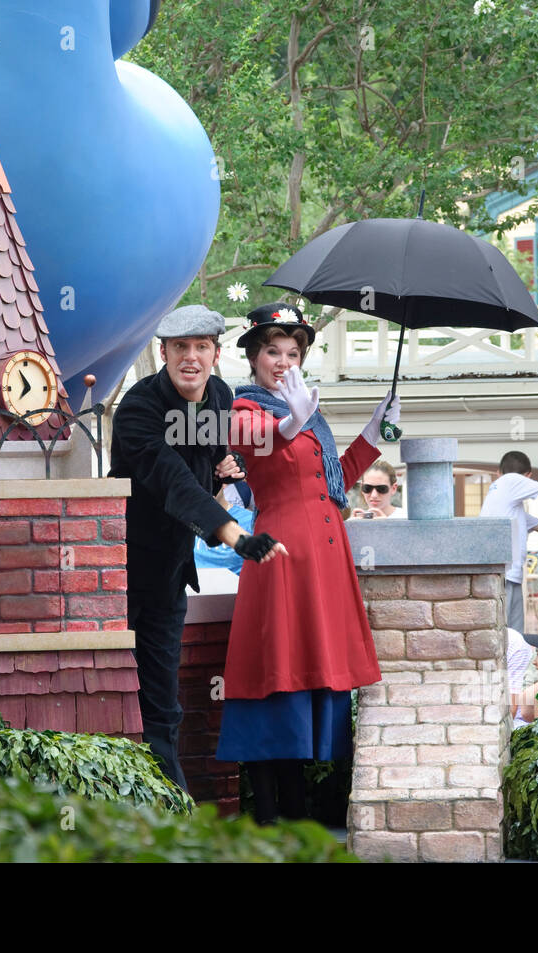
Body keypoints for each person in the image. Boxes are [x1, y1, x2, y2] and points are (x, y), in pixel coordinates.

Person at [216, 302, 399, 824]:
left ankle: (302, 809)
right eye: (272, 350)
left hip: (324, 556)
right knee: (277, 669)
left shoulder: (309, 413)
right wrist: (292, 420)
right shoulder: (242, 409)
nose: (282, 360)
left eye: (292, 352)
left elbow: (333, 480)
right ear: (253, 357)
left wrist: (374, 430)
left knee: (308, 673)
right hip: (281, 557)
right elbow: (254, 447)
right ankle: (273, 815)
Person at [109, 304, 286, 790]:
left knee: (164, 701)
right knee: (107, 690)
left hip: (170, 569)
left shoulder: (220, 398)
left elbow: (201, 472)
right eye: (180, 347)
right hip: (117, 570)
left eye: (201, 347)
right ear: (163, 353)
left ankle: (168, 809)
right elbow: (173, 484)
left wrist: (221, 471)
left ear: (216, 353)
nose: (191, 357)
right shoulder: (138, 409)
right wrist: (236, 536)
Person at [479, 444, 538, 633]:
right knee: (506, 635)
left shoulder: (508, 505)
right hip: (504, 575)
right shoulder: (511, 480)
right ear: (528, 476)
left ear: (498, 472)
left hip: (504, 575)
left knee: (512, 636)